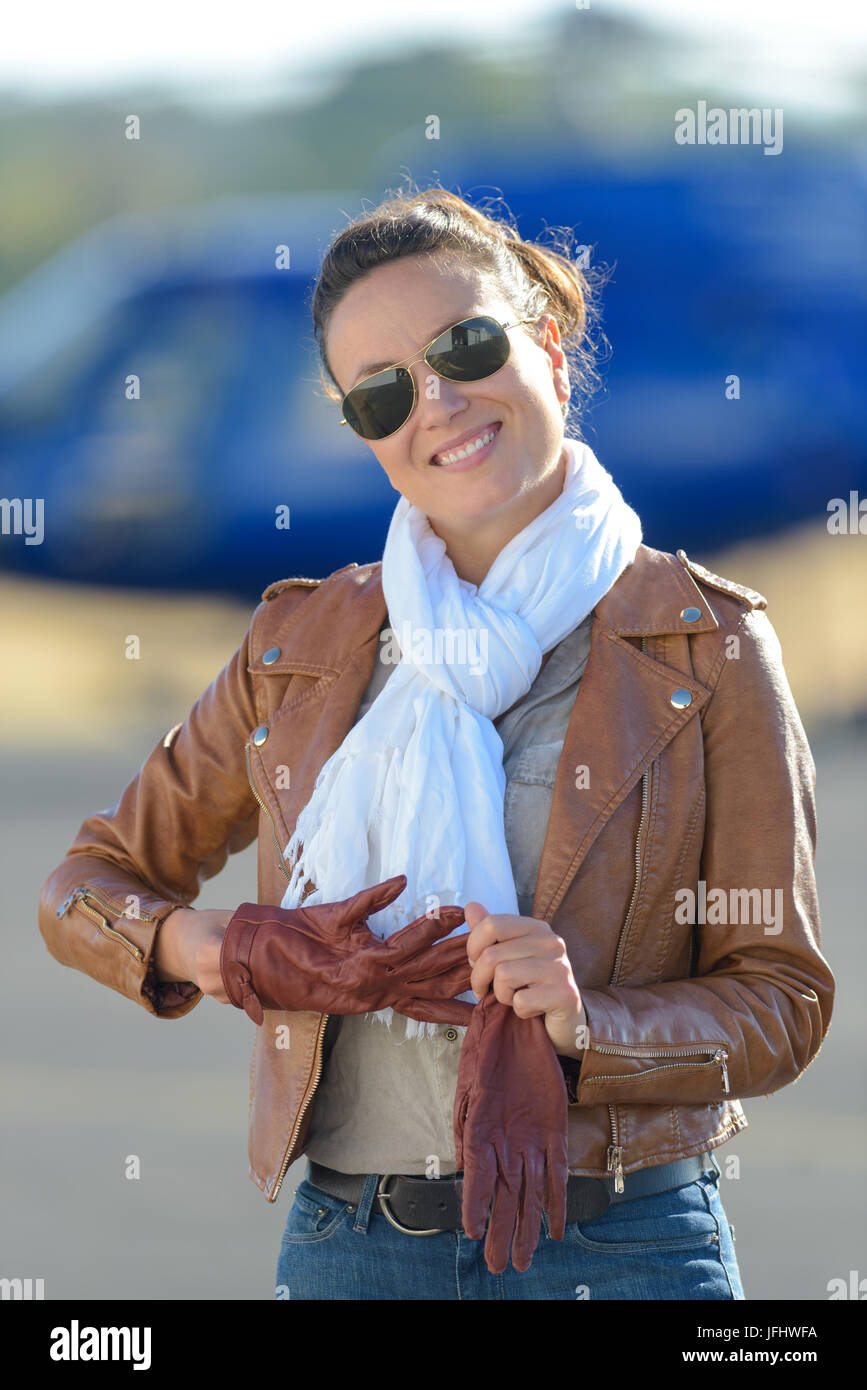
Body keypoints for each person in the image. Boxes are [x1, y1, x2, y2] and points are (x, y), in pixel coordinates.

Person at [37, 185, 835, 1302]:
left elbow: (780, 998)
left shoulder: (709, 645)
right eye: (381, 393)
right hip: (350, 1246)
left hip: (626, 1245)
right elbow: (84, 887)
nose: (439, 404)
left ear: (548, 347)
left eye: (467, 345)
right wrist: (228, 949)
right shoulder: (297, 642)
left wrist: (587, 1020)